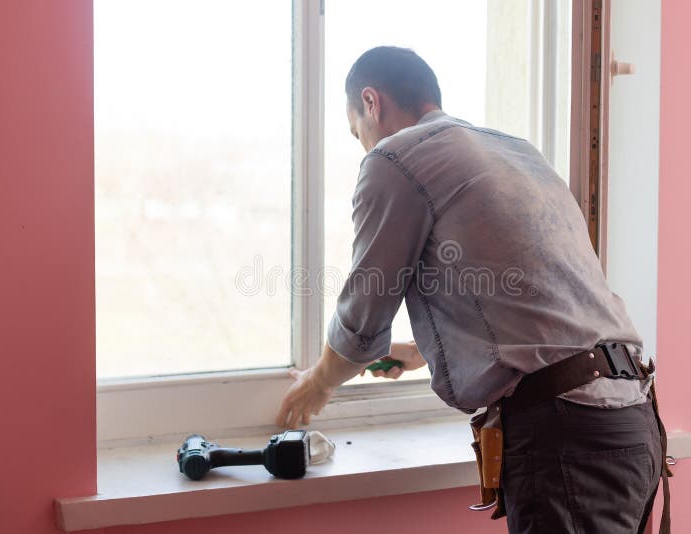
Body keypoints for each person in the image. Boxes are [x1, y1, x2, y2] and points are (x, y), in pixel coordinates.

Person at [277, 46, 667, 534]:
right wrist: (431, 351)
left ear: (371, 103)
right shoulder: (516, 150)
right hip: (631, 418)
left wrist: (318, 383)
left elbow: (364, 315)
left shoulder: (394, 158)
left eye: (357, 130)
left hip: (569, 436)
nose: (362, 145)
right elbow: (534, 289)